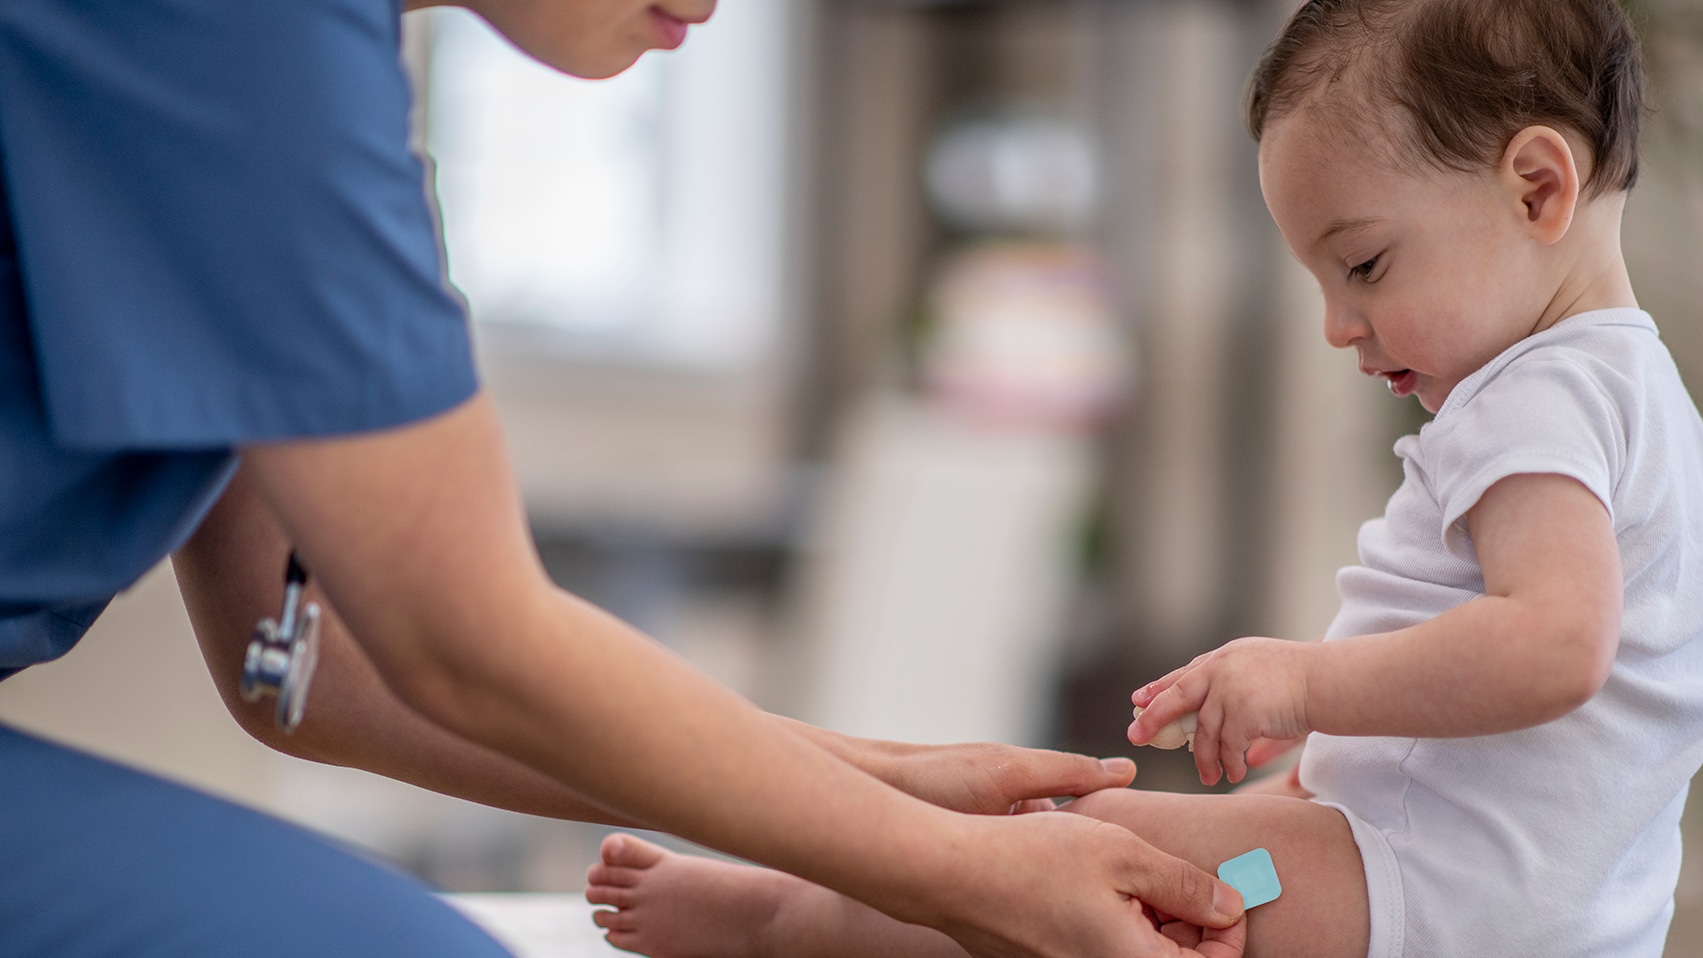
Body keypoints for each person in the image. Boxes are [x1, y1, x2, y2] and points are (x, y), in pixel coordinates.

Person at [0, 0, 1253, 956]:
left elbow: (319, 662)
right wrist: (943, 869)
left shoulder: (343, 90)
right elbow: (459, 640)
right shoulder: (244, 44)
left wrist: (890, 781)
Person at [582, 1, 1703, 956]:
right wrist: (1332, 745)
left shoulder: (1536, 397)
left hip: (1414, 887)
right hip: (1507, 899)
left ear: (1536, 188)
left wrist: (1305, 683)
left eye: (1361, 263)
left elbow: (1554, 646)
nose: (1336, 323)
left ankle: (778, 918)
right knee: (1161, 878)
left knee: (1049, 864)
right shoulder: (1633, 392)